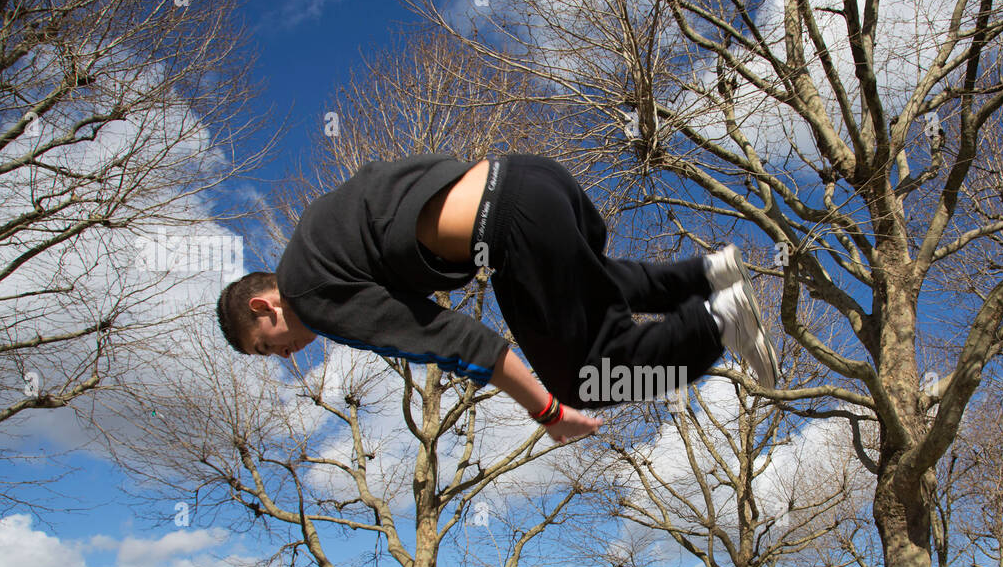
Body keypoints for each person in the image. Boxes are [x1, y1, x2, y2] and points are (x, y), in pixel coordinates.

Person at [216, 154, 782, 444]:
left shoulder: (310, 294)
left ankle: (719, 322)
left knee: (589, 379)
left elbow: (458, 342)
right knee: (592, 287)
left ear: (264, 308)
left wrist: (549, 412)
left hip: (509, 228)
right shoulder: (319, 230)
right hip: (532, 180)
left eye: (268, 348)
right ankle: (706, 275)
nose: (287, 355)